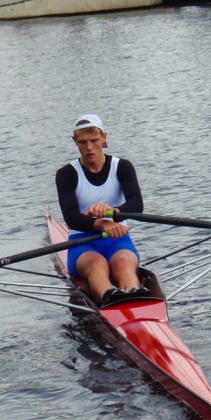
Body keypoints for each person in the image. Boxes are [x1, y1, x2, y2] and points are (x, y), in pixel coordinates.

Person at [56, 114, 148, 306]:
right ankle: (110, 298)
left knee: (123, 264)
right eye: (82, 142)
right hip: (82, 244)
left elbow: (136, 205)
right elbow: (72, 218)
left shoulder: (122, 167)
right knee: (97, 264)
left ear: (104, 137)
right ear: (75, 142)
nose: (89, 148)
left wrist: (112, 212)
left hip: (118, 239)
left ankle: (135, 297)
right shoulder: (66, 174)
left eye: (94, 140)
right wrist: (102, 224)